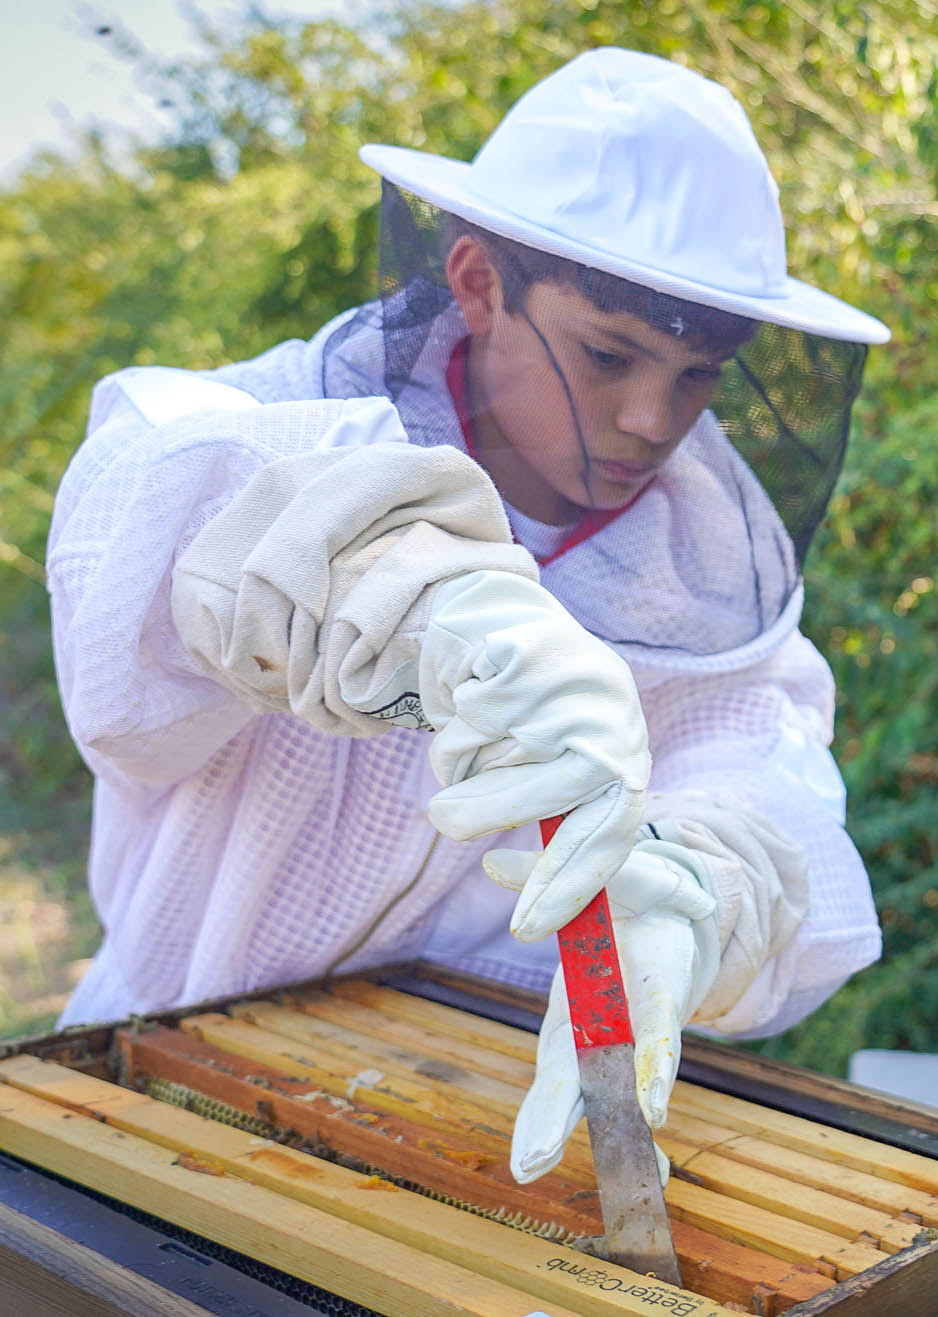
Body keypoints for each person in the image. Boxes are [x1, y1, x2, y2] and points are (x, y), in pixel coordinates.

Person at [45, 47, 888, 1183]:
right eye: (608, 355)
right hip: (160, 1079)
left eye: (699, 378)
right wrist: (399, 583)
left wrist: (709, 891)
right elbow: (150, 507)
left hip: (468, 1136)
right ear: (479, 284)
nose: (652, 419)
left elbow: (766, 783)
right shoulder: (286, 420)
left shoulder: (699, 573)